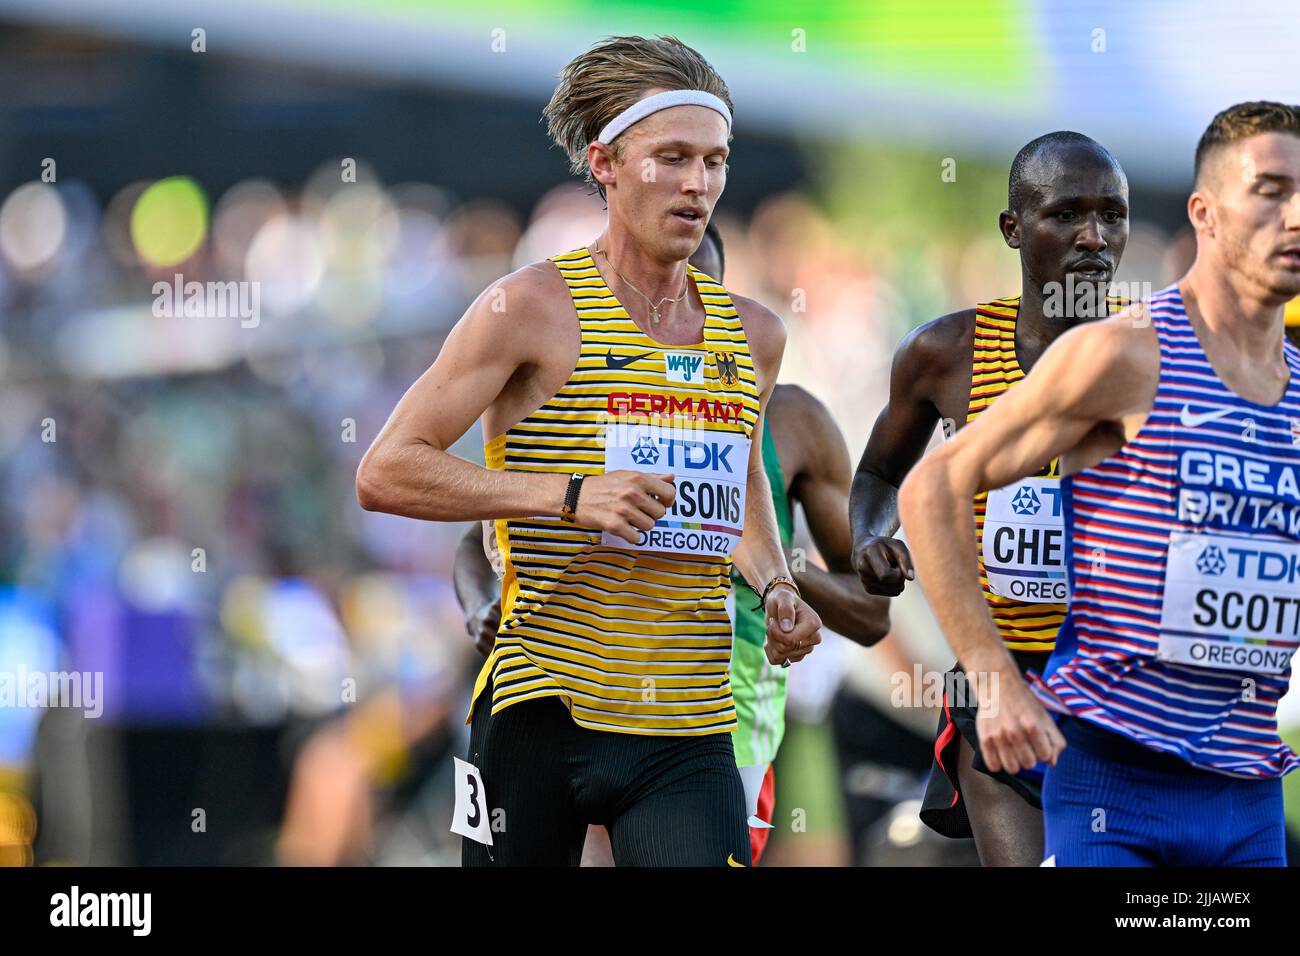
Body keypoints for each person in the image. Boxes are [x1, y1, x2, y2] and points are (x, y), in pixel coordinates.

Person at [357, 34, 822, 866]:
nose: (698, 184)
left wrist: (778, 583)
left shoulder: (754, 333)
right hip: (536, 713)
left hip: (689, 724)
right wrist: (570, 496)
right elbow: (386, 468)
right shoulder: (526, 307)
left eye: (714, 161)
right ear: (604, 163)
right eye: (671, 158)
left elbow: (742, 479)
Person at [899, 101, 1300, 866]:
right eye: (1272, 190)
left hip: (1248, 794)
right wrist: (995, 682)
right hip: (1116, 789)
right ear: (1205, 213)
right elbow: (930, 488)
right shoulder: (1127, 354)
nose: (1297, 216)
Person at [454, 221, 890, 864]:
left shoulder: (794, 421)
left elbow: (871, 614)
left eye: (690, 299)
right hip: (568, 683)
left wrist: (780, 578)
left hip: (725, 709)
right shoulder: (588, 393)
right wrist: (482, 601)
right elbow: (476, 534)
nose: (668, 328)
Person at [850, 132, 1130, 865]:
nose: (1094, 237)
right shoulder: (947, 354)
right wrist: (869, 538)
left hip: (1123, 691)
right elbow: (880, 473)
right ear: (1013, 229)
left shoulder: (1161, 356)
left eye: (1113, 215)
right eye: (1066, 214)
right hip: (999, 678)